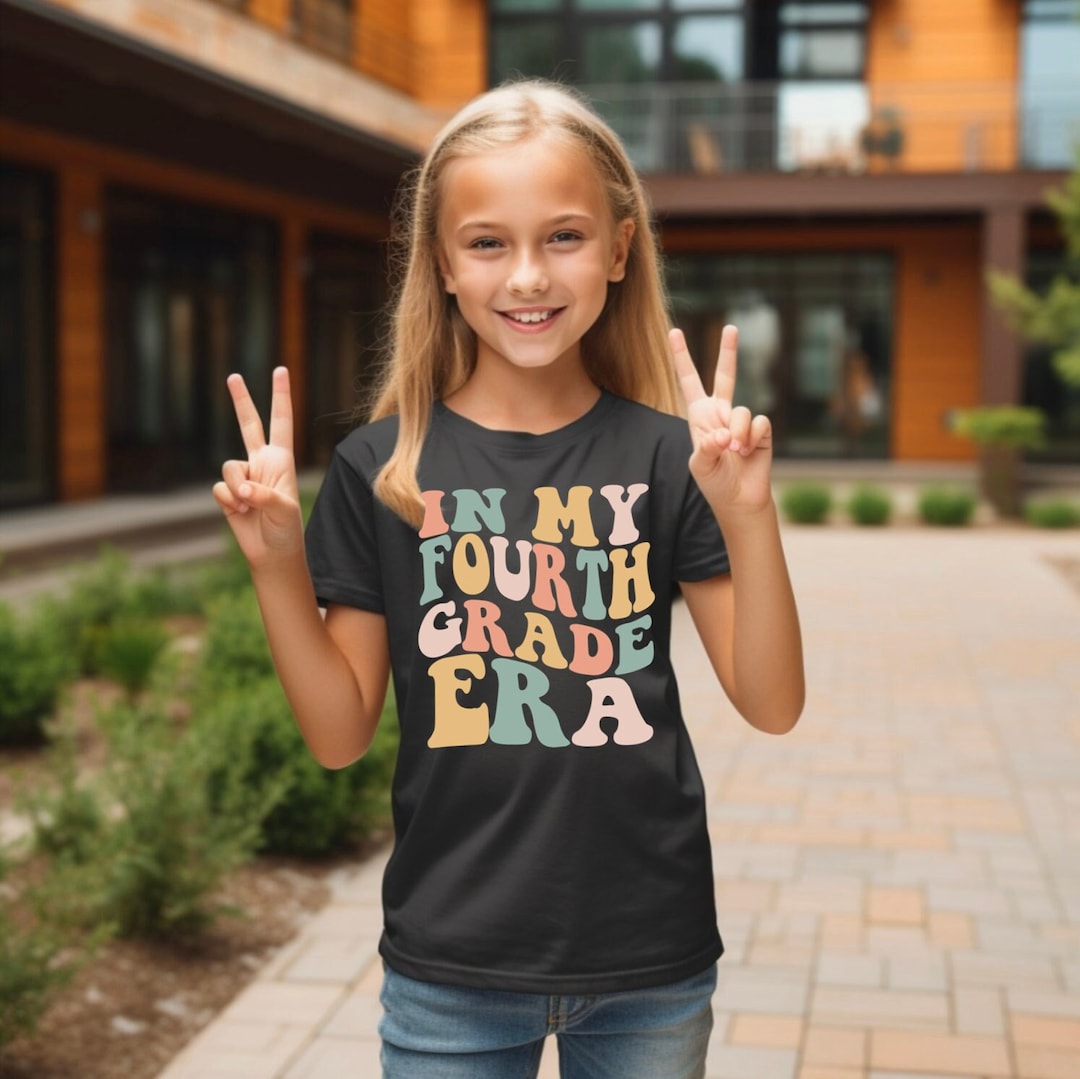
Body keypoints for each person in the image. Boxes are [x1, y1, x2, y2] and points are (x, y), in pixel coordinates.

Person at [213, 79, 804, 1079]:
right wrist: (277, 567)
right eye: (488, 242)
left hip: (649, 955)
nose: (527, 275)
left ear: (620, 249)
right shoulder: (378, 469)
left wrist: (749, 515)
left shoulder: (674, 461)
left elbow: (774, 703)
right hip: (451, 962)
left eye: (564, 236)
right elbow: (337, 733)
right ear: (442, 264)